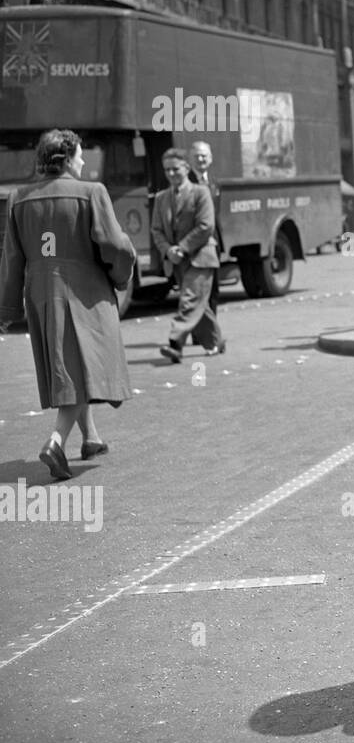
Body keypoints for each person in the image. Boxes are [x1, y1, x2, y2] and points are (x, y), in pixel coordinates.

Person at [0, 129, 135, 480]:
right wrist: (122, 274)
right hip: (85, 293)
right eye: (79, 155)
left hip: (42, 294)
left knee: (72, 368)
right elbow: (116, 247)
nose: (84, 160)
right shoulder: (92, 192)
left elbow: (12, 260)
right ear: (66, 158)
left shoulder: (18, 197)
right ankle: (56, 442)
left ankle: (91, 437)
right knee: (83, 367)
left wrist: (6, 310)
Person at [152, 148, 225, 362]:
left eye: (175, 169)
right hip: (178, 261)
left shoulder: (201, 192)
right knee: (199, 305)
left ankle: (175, 344)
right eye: (167, 170)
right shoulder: (160, 198)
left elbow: (206, 226)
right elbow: (156, 230)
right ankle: (216, 340)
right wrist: (168, 250)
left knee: (189, 300)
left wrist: (181, 247)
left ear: (186, 168)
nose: (171, 174)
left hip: (201, 256)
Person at [188, 141, 222, 317]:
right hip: (196, 246)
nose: (201, 159)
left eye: (204, 156)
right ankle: (198, 333)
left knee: (214, 290)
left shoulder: (215, 183)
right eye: (197, 156)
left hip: (213, 244)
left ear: (210, 158)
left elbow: (216, 217)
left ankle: (212, 333)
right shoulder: (187, 184)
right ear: (190, 159)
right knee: (197, 292)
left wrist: (219, 245)